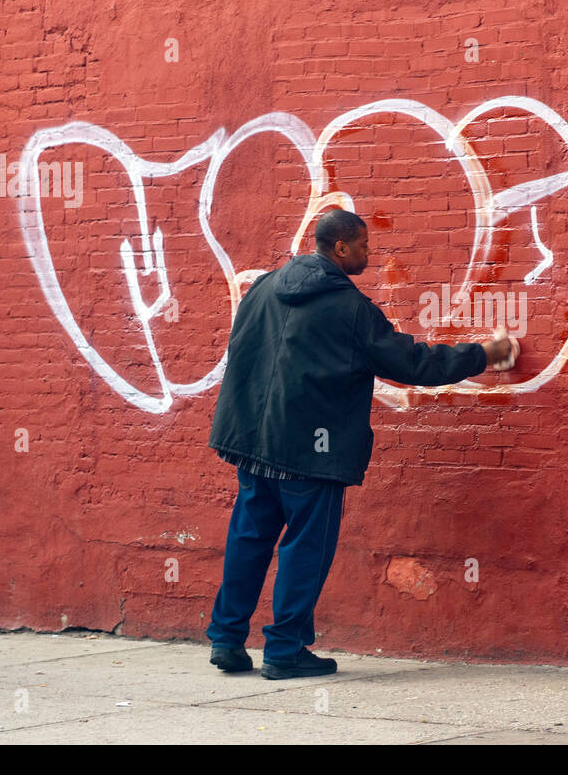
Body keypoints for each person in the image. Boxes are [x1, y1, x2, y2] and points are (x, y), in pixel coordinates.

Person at [205, 208, 517, 678]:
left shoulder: (264, 287)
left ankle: (227, 641)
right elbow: (413, 364)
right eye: (365, 246)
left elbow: (240, 350)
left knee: (249, 539)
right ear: (341, 248)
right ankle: (284, 651)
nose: (370, 254)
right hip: (312, 454)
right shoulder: (351, 310)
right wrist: (483, 353)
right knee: (304, 551)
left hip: (255, 444)